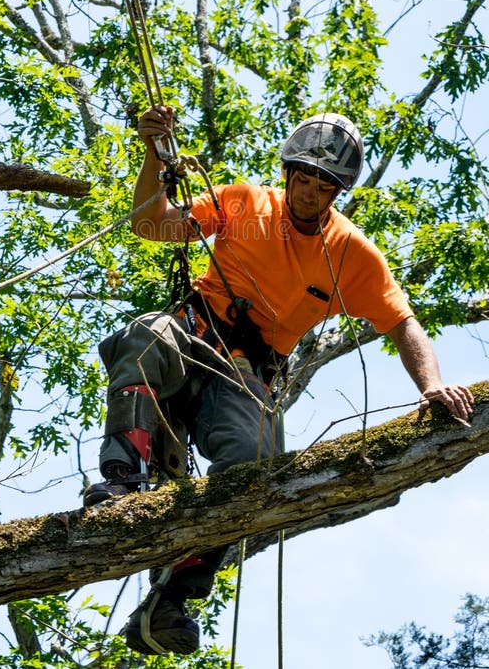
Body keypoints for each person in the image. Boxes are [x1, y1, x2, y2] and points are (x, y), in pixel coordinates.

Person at [84, 104, 474, 657]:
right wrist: (153, 153)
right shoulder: (244, 203)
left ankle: (174, 596)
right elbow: (151, 224)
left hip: (247, 373)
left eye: (324, 187)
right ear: (288, 172)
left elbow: (402, 323)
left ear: (338, 192)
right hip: (191, 338)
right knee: (144, 336)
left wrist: (431, 387)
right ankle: (123, 482)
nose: (310, 194)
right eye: (304, 179)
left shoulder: (350, 254)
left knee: (257, 461)